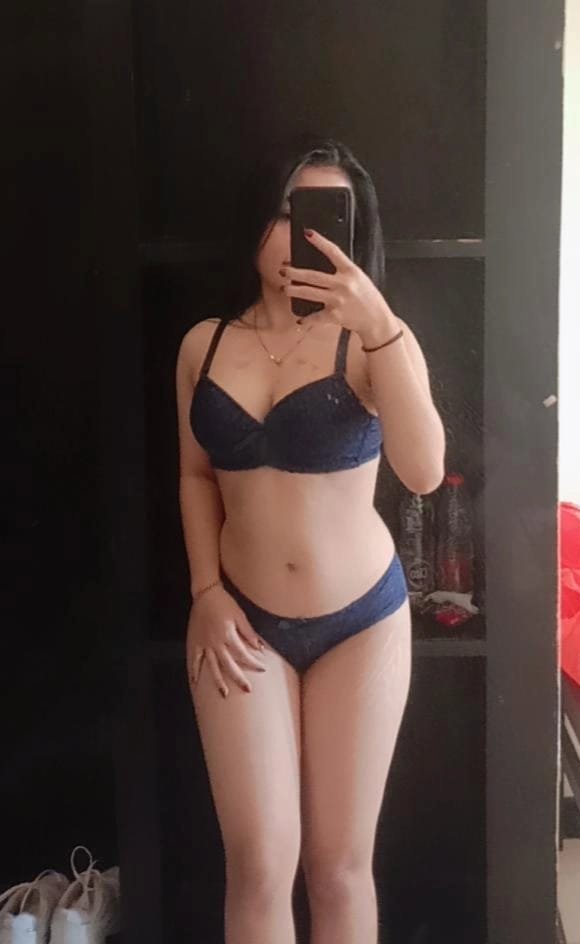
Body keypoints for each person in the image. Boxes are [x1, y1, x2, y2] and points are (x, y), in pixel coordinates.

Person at [175, 137, 445, 944]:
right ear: (261, 221)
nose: (304, 234)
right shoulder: (203, 343)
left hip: (360, 624)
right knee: (259, 866)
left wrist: (379, 324)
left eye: (328, 217)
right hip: (239, 621)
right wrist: (205, 591)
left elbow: (424, 470)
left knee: (338, 869)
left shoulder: (375, 340)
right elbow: (194, 476)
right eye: (289, 212)